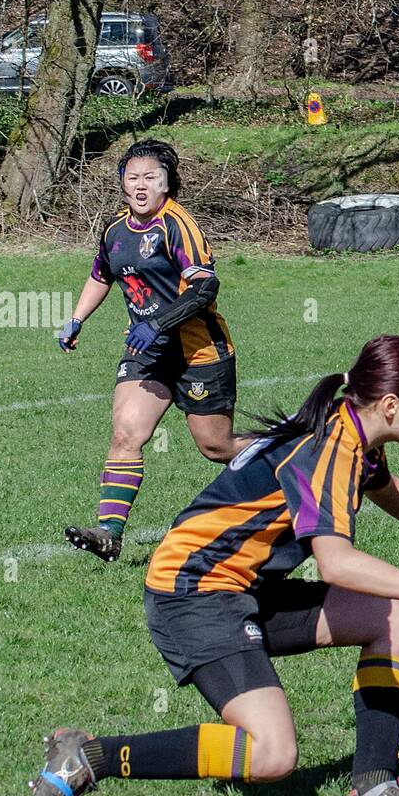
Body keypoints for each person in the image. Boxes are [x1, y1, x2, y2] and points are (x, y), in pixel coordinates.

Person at [22, 336, 399, 796]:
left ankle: (375, 789)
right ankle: (88, 757)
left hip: (243, 588)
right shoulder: (327, 450)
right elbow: (337, 565)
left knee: (388, 614)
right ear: (391, 405)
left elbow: (391, 491)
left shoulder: (350, 431)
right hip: (193, 594)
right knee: (271, 755)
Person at [58, 139, 248, 563]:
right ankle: (109, 533)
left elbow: (205, 286)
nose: (140, 185)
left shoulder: (176, 225)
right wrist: (76, 319)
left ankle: (291, 454)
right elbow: (102, 275)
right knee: (126, 432)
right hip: (146, 352)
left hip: (199, 352)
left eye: (150, 178)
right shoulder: (115, 230)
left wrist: (157, 323)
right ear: (122, 184)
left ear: (166, 184)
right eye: (132, 177)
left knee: (215, 447)